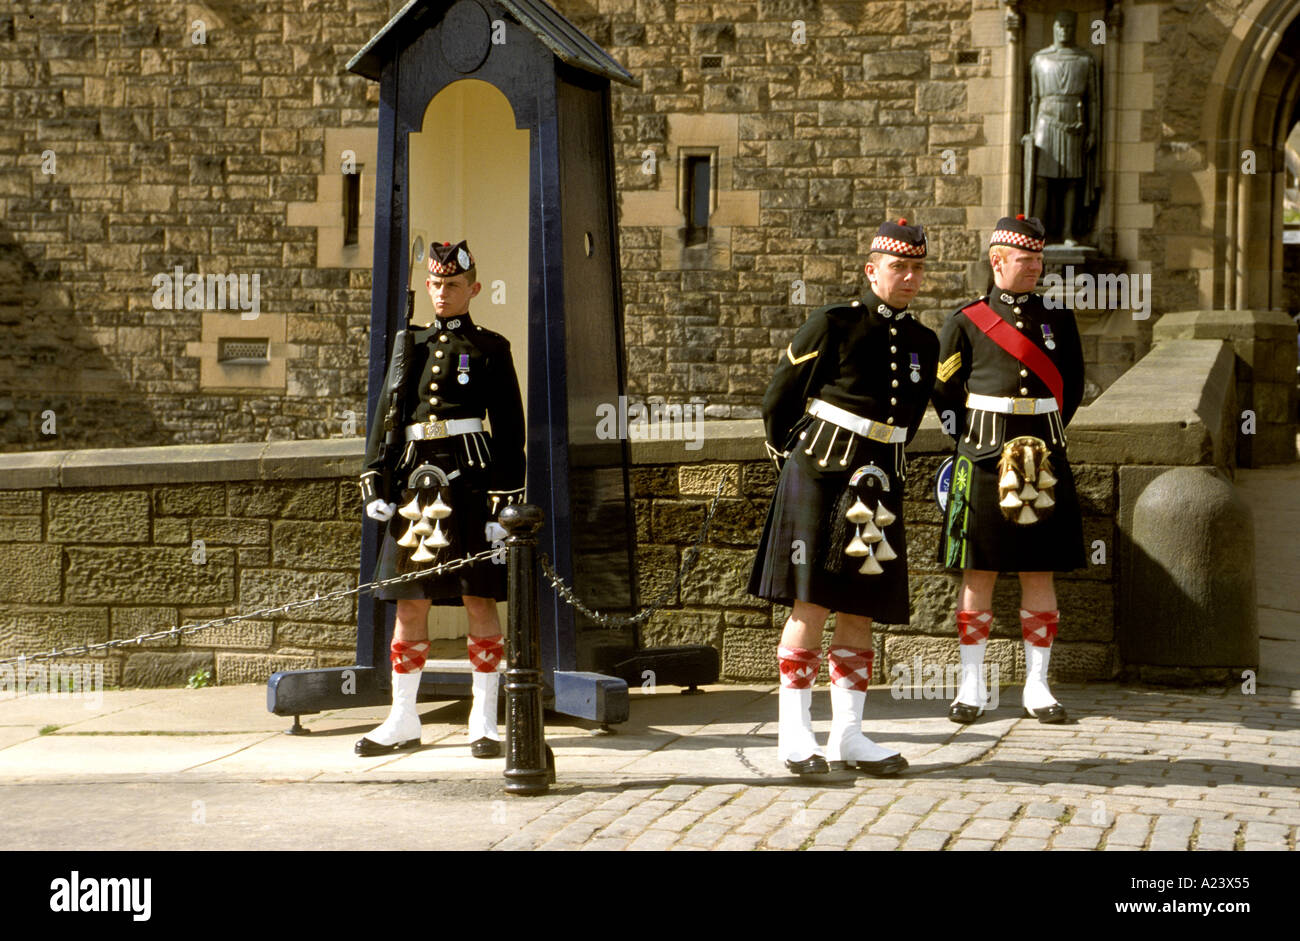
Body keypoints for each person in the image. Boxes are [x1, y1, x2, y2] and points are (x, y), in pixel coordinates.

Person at [748, 220, 939, 776]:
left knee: (861, 607)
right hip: (821, 475)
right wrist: (797, 466)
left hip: (881, 479)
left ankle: (848, 737)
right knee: (811, 603)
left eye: (917, 268)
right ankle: (794, 734)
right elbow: (779, 400)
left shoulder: (925, 343)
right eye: (898, 267)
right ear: (871, 269)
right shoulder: (832, 324)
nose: (908, 277)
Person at [355, 240, 525, 758]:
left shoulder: (491, 348)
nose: (443, 293)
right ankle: (403, 717)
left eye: (453, 285)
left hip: (469, 478)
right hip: (414, 480)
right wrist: (375, 479)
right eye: (436, 284)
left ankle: (483, 718)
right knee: (410, 601)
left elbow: (510, 428)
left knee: (479, 597)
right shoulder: (412, 344)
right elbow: (387, 414)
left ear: (473, 289)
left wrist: (503, 504)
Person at [932, 214, 1085, 725]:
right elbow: (944, 389)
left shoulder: (1058, 319)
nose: (1036, 266)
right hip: (983, 457)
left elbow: (1074, 386)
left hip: (1043, 453)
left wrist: (1044, 435)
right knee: (978, 569)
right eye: (1027, 258)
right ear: (998, 260)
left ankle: (1038, 685)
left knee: (1038, 568)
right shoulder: (966, 320)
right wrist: (971, 442)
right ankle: (972, 684)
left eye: (1039, 258)